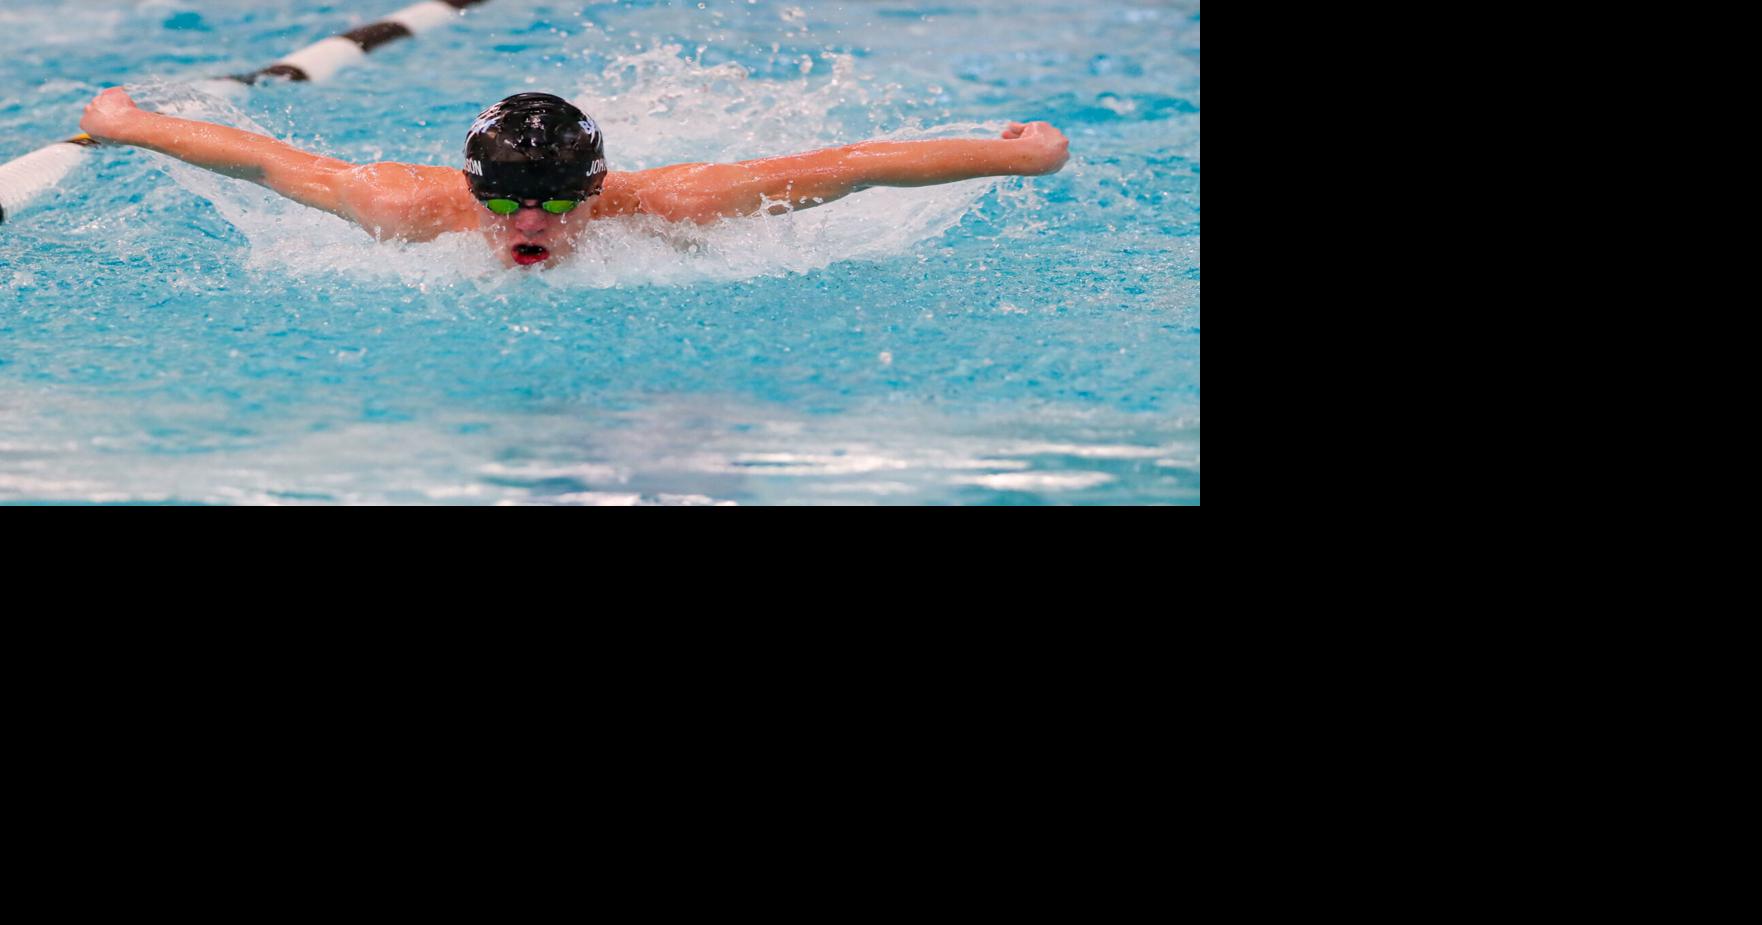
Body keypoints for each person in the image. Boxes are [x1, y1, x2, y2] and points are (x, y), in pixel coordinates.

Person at [79, 88, 1069, 269]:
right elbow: (259, 158)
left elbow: (850, 170)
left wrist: (1022, 153)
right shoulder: (396, 203)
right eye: (503, 200)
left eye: (557, 202)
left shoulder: (677, 201)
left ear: (600, 190)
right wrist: (123, 125)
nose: (530, 222)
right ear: (465, 189)